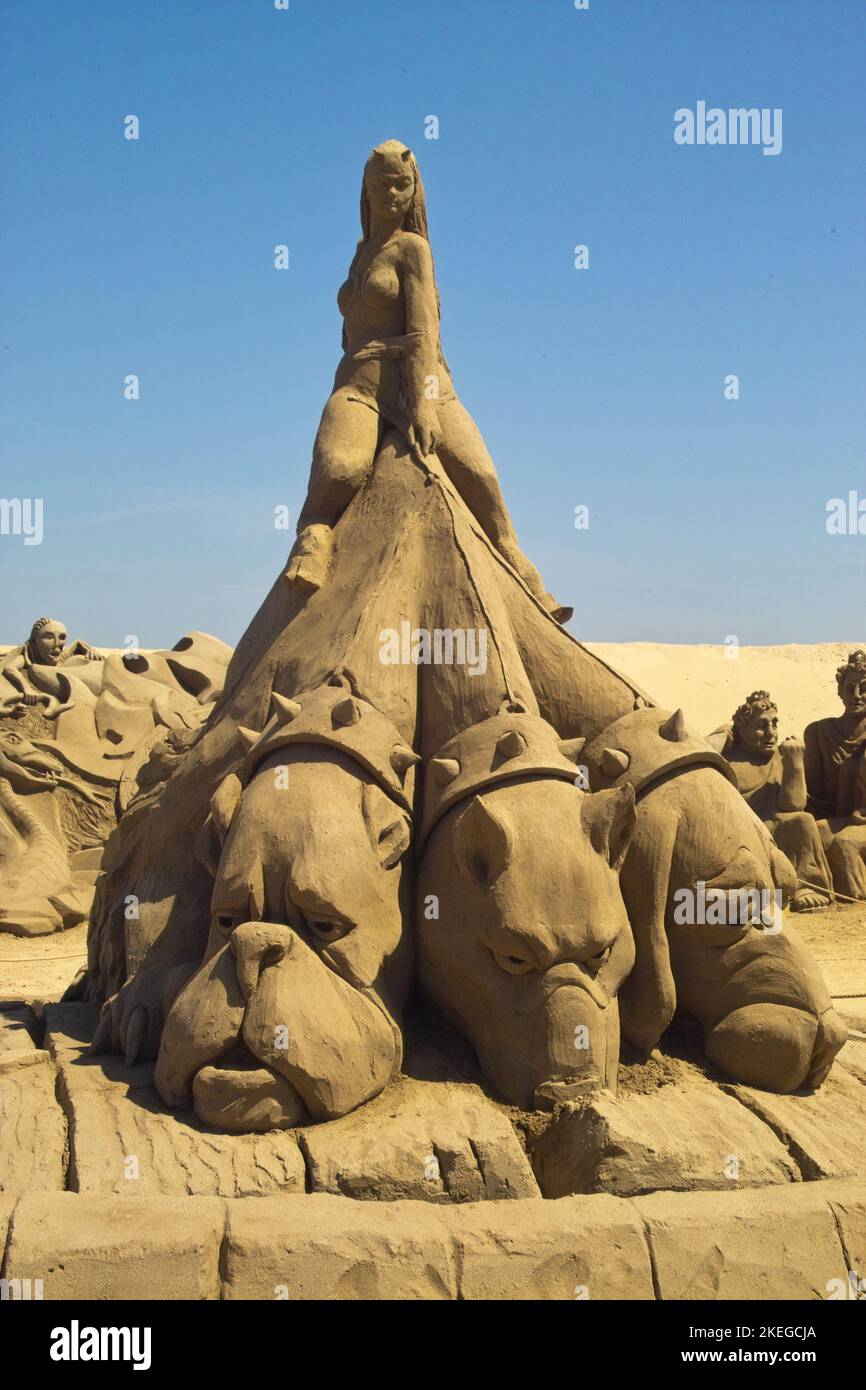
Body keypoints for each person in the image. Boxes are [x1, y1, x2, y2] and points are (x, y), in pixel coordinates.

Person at [283, 140, 571, 623]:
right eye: (382, 185)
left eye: (402, 185)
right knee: (339, 466)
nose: (392, 194)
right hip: (360, 385)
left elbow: (423, 331)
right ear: (366, 192)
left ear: (415, 190)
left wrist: (421, 404)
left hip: (427, 385)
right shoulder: (360, 254)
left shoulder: (413, 249)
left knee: (480, 476)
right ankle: (313, 534)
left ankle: (522, 573)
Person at [709, 690, 832, 911]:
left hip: (775, 832)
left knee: (803, 821)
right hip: (742, 834)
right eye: (761, 726)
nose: (770, 732)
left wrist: (794, 763)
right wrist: (722, 734)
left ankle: (806, 885)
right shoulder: (728, 761)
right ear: (741, 728)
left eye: (774, 724)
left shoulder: (780, 758)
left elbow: (793, 806)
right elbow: (703, 753)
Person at [805, 650, 866, 900]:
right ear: (839, 690)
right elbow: (814, 795)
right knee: (813, 832)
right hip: (838, 818)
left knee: (844, 846)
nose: (857, 695)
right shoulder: (819, 732)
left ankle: (855, 900)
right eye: (849, 688)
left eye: (864, 688)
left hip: (861, 822)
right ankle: (811, 890)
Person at [1, 617, 102, 718]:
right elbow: (10, 668)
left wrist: (90, 650)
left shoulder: (61, 658)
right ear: (35, 640)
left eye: (62, 637)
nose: (57, 644)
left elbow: (77, 643)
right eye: (49, 637)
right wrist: (27, 688)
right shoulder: (29, 656)